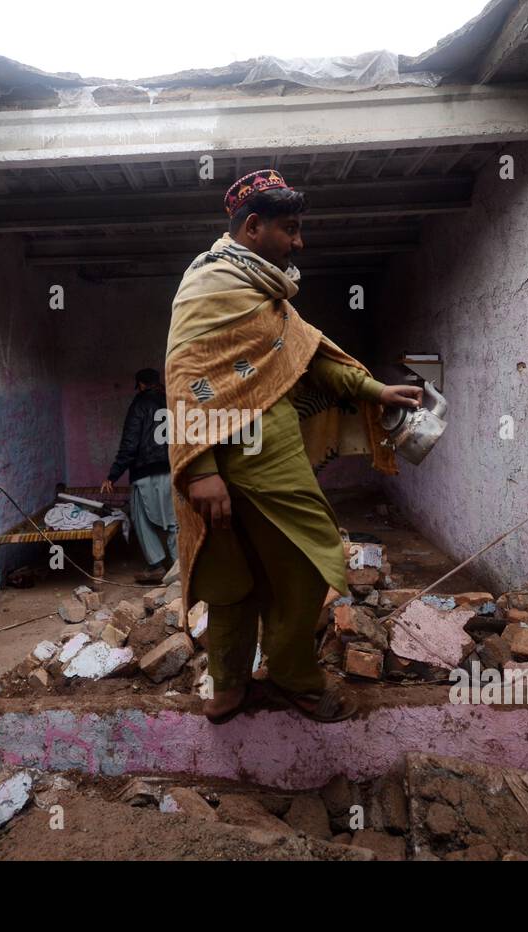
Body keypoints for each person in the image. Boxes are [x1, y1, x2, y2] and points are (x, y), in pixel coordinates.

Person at [165, 169, 422, 724]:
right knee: (233, 580)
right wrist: (203, 469)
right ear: (254, 226)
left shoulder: (268, 292)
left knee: (299, 570)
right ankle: (232, 684)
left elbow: (313, 359)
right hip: (221, 471)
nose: (299, 241)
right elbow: (186, 376)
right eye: (291, 229)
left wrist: (376, 389)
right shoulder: (210, 286)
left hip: (275, 464)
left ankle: (291, 677)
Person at [101, 368, 180, 583]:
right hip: (172, 469)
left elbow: (130, 444)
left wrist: (113, 475)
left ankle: (156, 565)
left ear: (141, 385)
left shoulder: (139, 405)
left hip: (145, 472)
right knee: (174, 522)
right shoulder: (170, 401)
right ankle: (180, 566)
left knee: (140, 518)